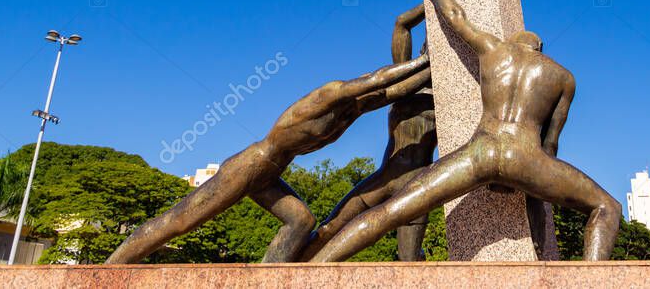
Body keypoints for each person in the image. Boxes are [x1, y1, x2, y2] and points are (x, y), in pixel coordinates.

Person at [310, 0, 621, 262]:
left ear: (513, 42)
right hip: (526, 157)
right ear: (538, 49)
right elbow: (549, 145)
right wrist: (532, 188)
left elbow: (456, 17)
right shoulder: (564, 77)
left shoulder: (495, 50)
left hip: (480, 152)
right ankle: (590, 278)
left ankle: (315, 270)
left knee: (390, 212)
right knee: (607, 207)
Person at [105, 51, 430, 264]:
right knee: (179, 221)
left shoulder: (353, 109)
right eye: (365, 94)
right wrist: (424, 61)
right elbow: (378, 79)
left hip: (270, 175)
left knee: (301, 220)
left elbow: (390, 92)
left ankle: (269, 276)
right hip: (250, 165)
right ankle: (111, 267)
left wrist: (431, 71)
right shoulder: (329, 94)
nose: (371, 99)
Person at [299, 4, 437, 260]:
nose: (430, 50)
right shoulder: (403, 83)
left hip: (416, 185)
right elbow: (401, 24)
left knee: (408, 263)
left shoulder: (445, 99)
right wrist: (432, 2)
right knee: (329, 228)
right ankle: (288, 274)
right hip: (384, 178)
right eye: (429, 46)